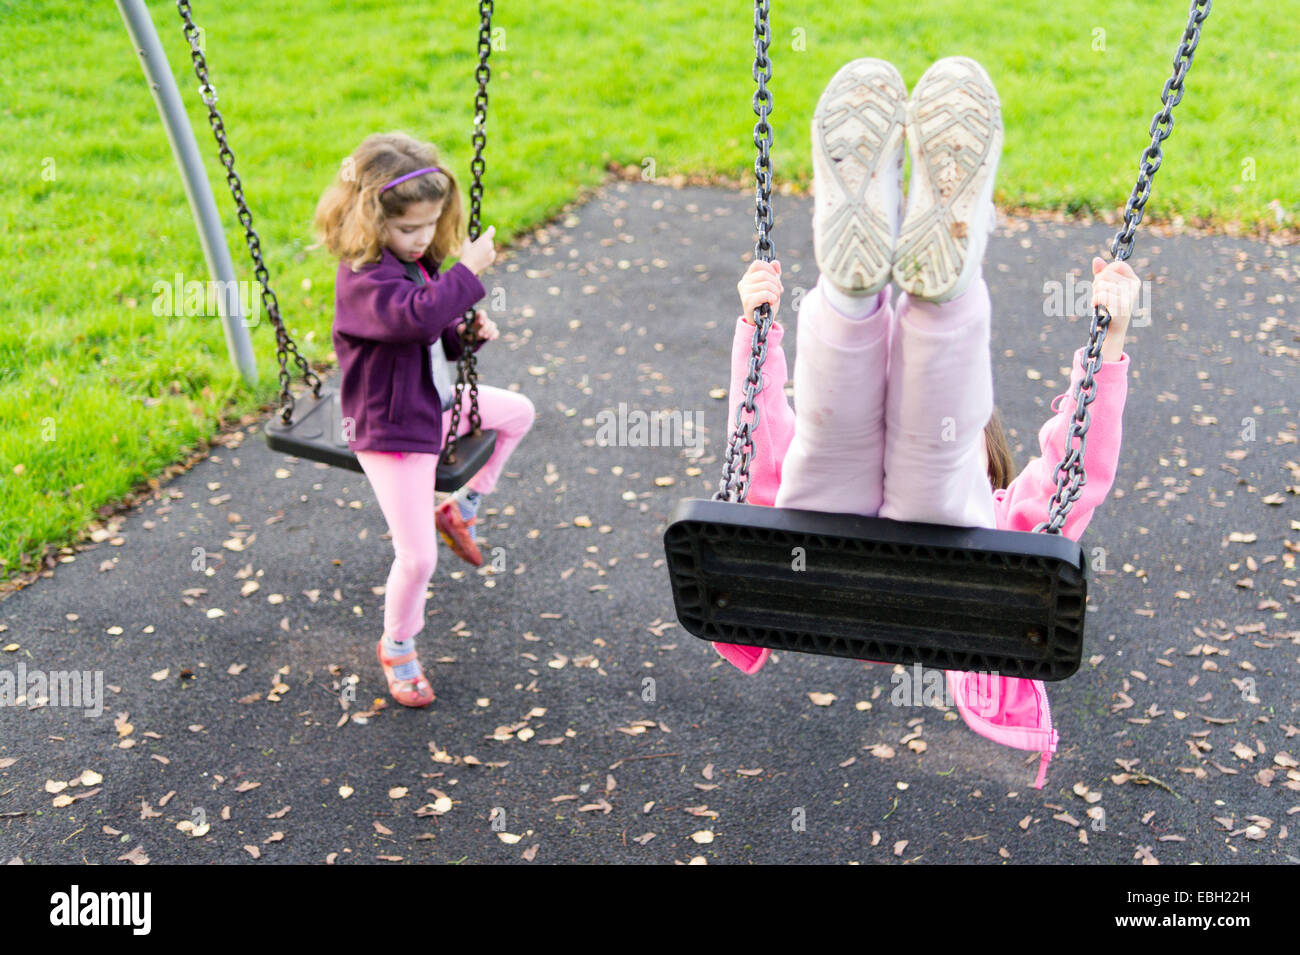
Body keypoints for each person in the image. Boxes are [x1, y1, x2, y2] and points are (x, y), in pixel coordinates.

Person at [715, 58, 1138, 787]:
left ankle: (855, 296)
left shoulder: (983, 501)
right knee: (924, 456)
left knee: (833, 437)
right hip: (941, 544)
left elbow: (761, 448)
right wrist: (1112, 345)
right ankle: (936, 292)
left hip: (821, 540)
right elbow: (1081, 469)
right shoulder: (1001, 511)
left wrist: (761, 333)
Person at [315, 132, 535, 707]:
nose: (421, 240)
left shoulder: (415, 265)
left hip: (430, 408)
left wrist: (465, 334)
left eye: (430, 226)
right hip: (391, 434)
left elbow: (430, 331)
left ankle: (460, 506)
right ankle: (398, 645)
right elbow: (409, 321)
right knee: (417, 558)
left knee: (517, 414)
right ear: (370, 219)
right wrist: (467, 276)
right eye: (408, 229)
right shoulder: (362, 278)